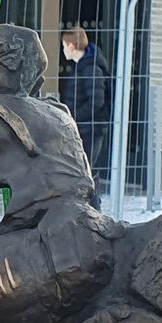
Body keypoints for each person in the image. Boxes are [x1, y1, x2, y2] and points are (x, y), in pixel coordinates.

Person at [60, 25, 112, 205]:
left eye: (64, 46)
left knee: (87, 170)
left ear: (72, 46)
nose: (63, 50)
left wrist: (74, 116)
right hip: (84, 126)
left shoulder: (90, 69)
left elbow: (96, 101)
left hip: (91, 128)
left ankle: (93, 208)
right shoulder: (82, 66)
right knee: (83, 169)